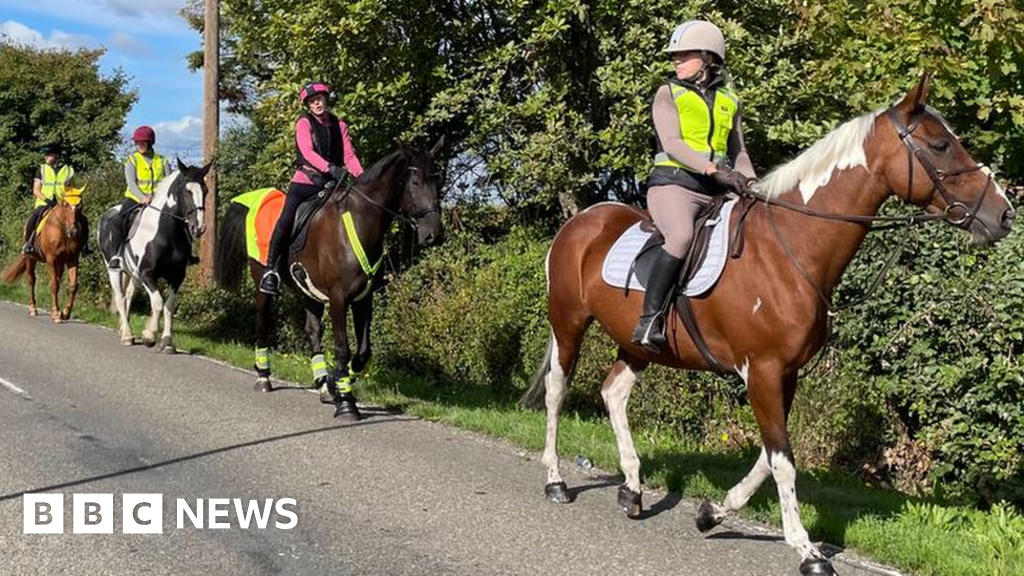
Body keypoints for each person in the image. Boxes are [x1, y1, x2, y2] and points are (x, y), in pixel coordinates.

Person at [632, 20, 757, 352]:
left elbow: (739, 152)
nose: (676, 62)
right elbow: (672, 143)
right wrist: (712, 169)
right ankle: (649, 321)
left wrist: (752, 183)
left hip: (717, 189)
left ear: (707, 57)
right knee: (682, 236)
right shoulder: (667, 93)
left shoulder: (730, 99)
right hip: (675, 186)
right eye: (675, 56)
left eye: (683, 55)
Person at [258, 81, 365, 295]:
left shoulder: (340, 125)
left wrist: (362, 178)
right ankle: (271, 271)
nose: (317, 103)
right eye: (313, 101)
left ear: (326, 100)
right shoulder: (304, 123)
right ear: (308, 105)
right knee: (285, 220)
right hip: (306, 183)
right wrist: (330, 168)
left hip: (334, 185)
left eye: (320, 99)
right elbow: (307, 152)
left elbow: (349, 156)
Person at [107, 126, 170, 271]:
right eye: (137, 143)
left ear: (150, 142)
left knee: (178, 218)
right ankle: (116, 256)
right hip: (135, 198)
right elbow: (131, 182)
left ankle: (185, 254)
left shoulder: (162, 160)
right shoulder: (132, 159)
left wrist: (157, 197)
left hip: (158, 200)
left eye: (143, 142)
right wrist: (142, 197)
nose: (139, 145)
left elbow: (167, 181)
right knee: (117, 221)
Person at [23, 145, 90, 255]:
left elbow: (71, 189)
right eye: (46, 155)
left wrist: (72, 199)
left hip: (63, 203)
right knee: (34, 217)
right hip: (45, 203)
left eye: (49, 155)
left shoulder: (68, 171)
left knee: (82, 220)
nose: (46, 157)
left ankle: (85, 246)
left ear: (56, 156)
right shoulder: (42, 170)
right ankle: (28, 243)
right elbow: (36, 190)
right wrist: (47, 200)